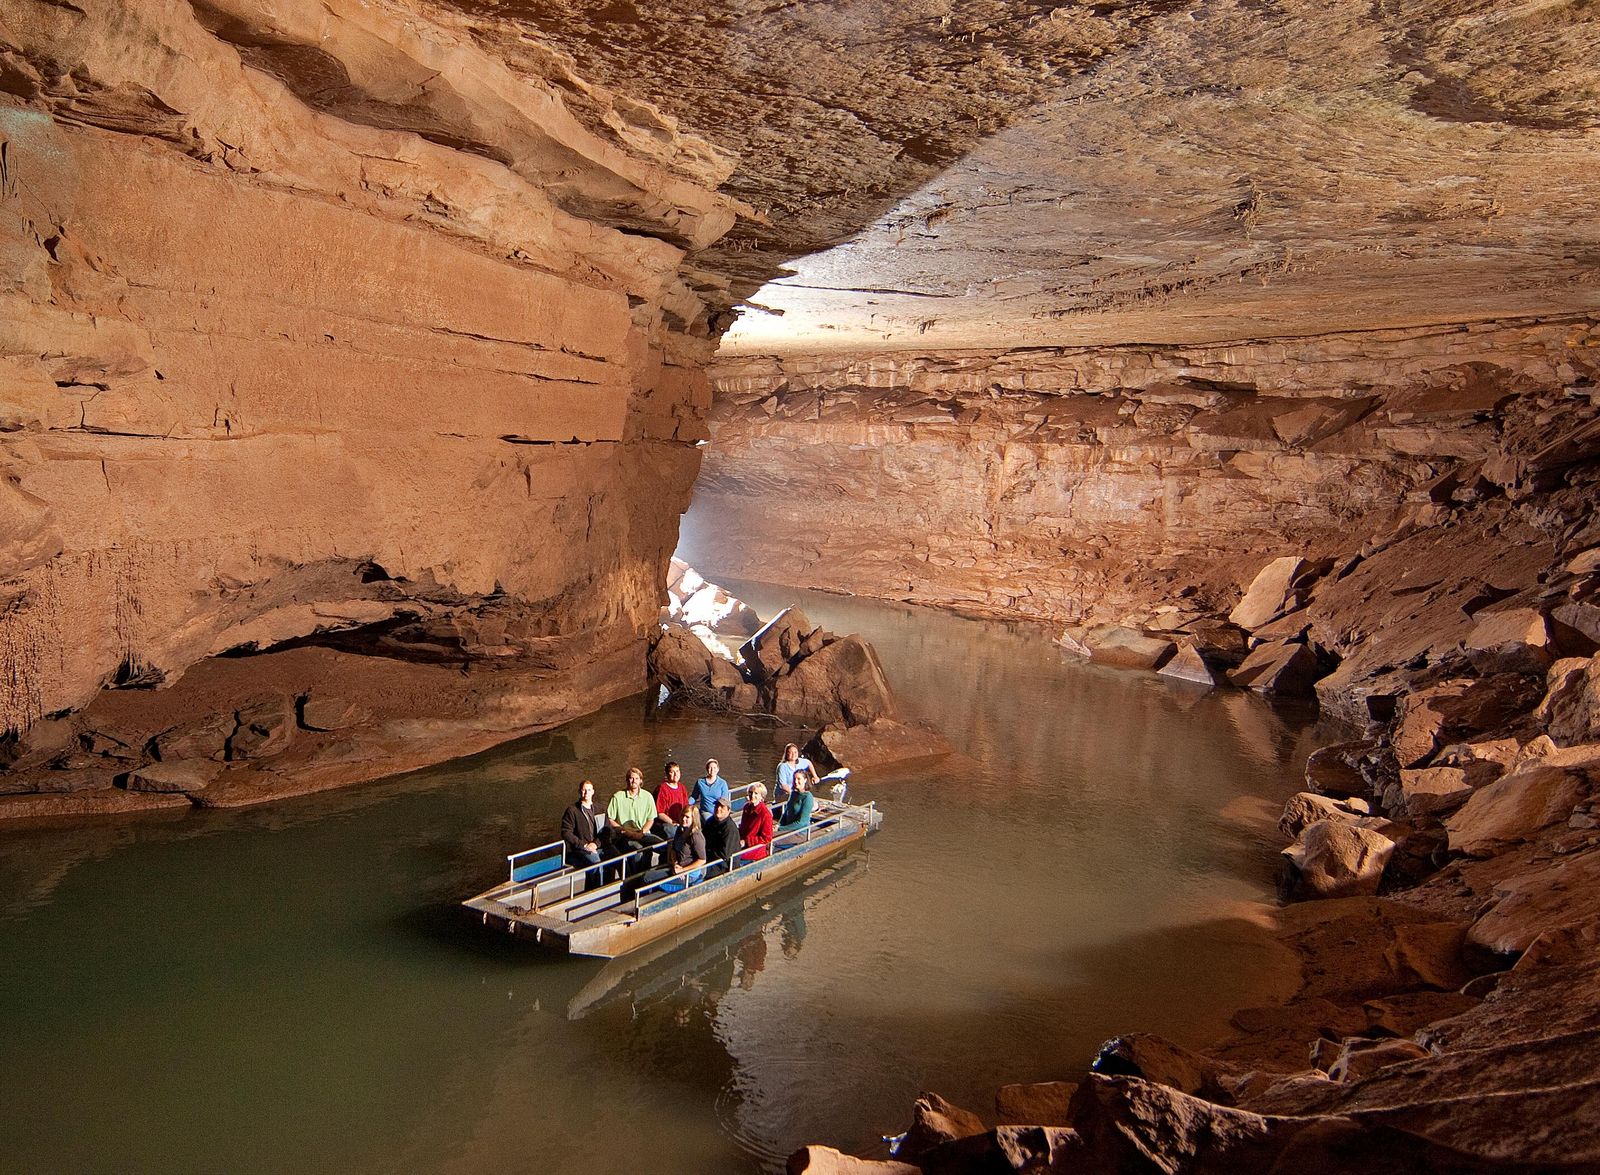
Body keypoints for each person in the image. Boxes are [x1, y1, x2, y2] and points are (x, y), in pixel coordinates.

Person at [607, 767, 662, 874]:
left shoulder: (647, 796)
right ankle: (637, 878)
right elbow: (610, 819)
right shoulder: (618, 797)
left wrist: (643, 831)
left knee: (663, 846)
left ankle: (654, 875)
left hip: (643, 833)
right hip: (625, 834)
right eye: (631, 778)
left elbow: (651, 818)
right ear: (627, 780)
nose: (634, 781)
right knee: (638, 850)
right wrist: (623, 830)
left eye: (636, 778)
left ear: (640, 780)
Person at [643, 804, 707, 895]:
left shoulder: (696, 836)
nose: (684, 819)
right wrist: (675, 863)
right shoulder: (680, 830)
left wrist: (683, 870)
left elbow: (702, 860)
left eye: (687, 817)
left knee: (647, 878)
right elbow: (673, 849)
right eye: (682, 816)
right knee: (647, 875)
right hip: (677, 867)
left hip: (690, 873)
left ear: (693, 819)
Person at [560, 779, 611, 890]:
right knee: (595, 862)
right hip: (580, 849)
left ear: (593, 791)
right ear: (579, 791)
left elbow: (607, 831)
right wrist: (583, 845)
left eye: (588, 790)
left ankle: (615, 888)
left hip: (598, 846)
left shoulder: (600, 809)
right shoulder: (572, 810)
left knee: (617, 857)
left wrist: (596, 844)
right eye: (584, 790)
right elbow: (566, 832)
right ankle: (594, 892)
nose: (586, 793)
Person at [653, 761, 690, 846]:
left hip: (681, 821)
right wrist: (673, 822)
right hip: (666, 823)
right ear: (667, 774)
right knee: (675, 834)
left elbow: (686, 807)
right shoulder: (662, 789)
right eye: (672, 772)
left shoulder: (682, 787)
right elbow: (659, 813)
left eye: (677, 771)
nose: (675, 774)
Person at [704, 795, 741, 874]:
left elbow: (724, 854)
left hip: (724, 864)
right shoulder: (710, 821)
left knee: (701, 872)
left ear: (728, 810)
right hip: (709, 857)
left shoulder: (730, 828)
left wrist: (706, 855)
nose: (718, 809)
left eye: (722, 807)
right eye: (717, 806)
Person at [739, 780, 774, 864]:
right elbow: (743, 828)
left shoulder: (765, 814)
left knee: (734, 858)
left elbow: (767, 838)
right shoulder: (747, 807)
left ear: (761, 797)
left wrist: (747, 841)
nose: (752, 796)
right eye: (750, 793)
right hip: (743, 843)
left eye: (756, 793)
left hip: (756, 848)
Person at [777, 769, 814, 834]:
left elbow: (802, 822)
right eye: (794, 779)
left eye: (799, 779)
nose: (796, 781)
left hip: (799, 832)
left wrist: (780, 829)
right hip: (787, 829)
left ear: (805, 780)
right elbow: (785, 813)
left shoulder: (807, 797)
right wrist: (778, 825)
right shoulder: (793, 794)